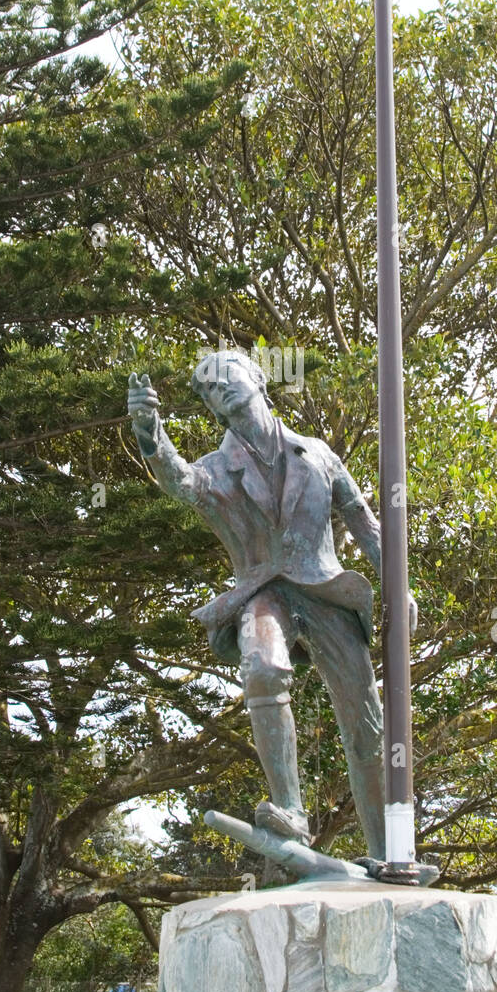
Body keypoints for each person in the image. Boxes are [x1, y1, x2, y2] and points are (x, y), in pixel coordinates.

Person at [127, 350, 416, 859]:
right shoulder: (216, 470)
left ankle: (388, 853)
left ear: (259, 376)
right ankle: (290, 810)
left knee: (367, 726)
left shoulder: (318, 454)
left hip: (326, 592)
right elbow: (180, 481)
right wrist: (151, 432)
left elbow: (368, 526)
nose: (219, 387)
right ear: (213, 410)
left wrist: (399, 586)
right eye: (208, 389)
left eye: (224, 374)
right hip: (262, 592)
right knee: (260, 664)